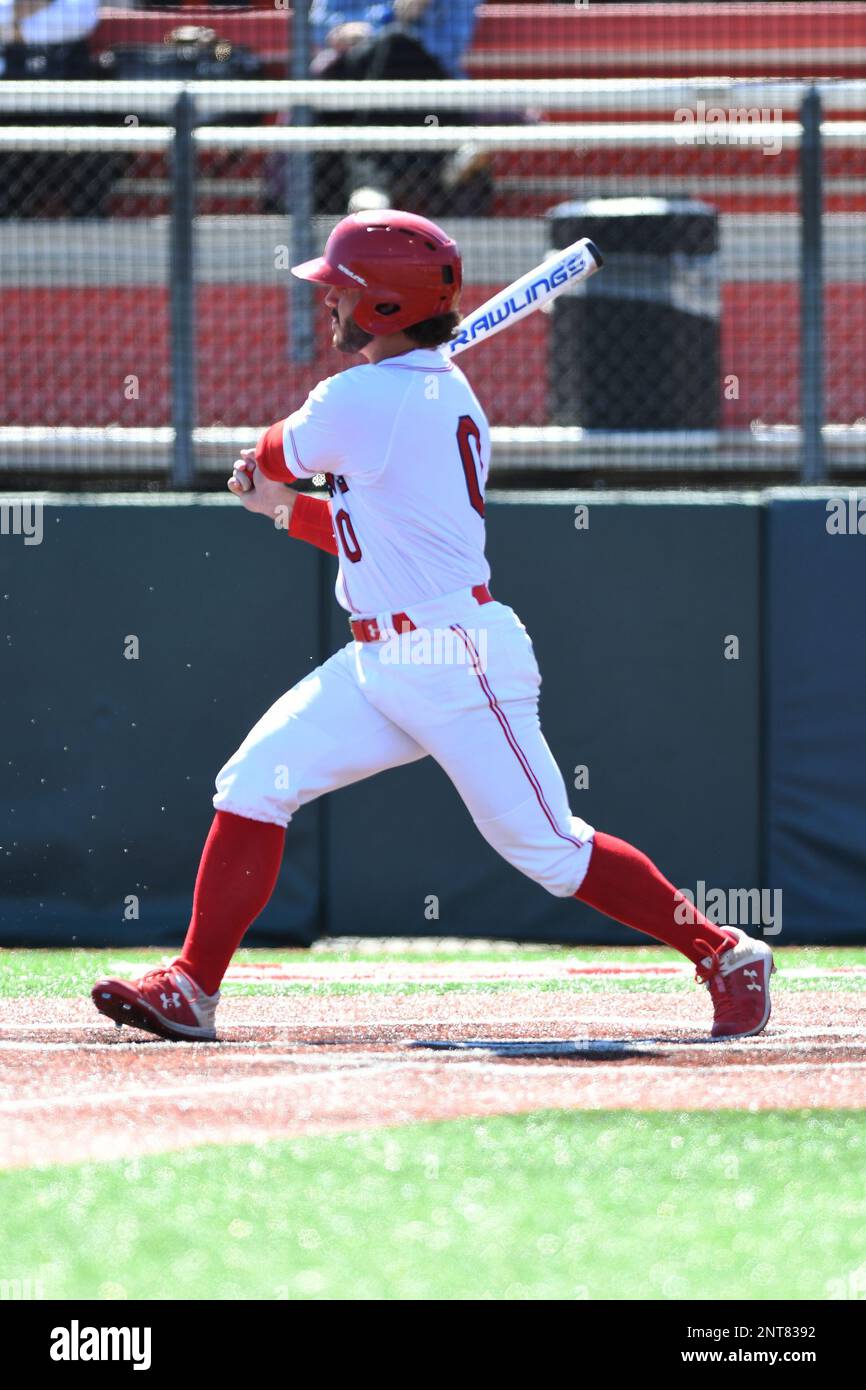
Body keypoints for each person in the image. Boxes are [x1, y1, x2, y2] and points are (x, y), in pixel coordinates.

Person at [91, 210, 775, 1044]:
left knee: (552, 850)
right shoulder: (422, 393)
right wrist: (281, 512)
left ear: (384, 307)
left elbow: (273, 454)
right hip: (380, 655)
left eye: (342, 294)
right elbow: (363, 530)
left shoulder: (364, 398)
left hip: (456, 656)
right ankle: (192, 987)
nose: (329, 307)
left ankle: (725, 952)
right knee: (254, 781)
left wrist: (263, 476)